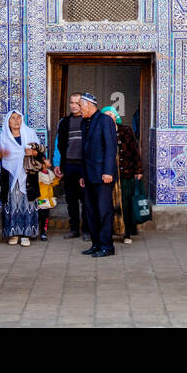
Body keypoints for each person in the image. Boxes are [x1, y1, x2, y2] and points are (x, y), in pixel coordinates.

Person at [78, 92, 117, 257]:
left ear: (88, 105)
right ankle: (96, 244)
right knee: (91, 212)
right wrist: (82, 174)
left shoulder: (104, 120)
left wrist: (108, 171)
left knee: (103, 211)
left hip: (102, 175)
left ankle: (107, 246)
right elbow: (84, 151)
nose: (78, 108)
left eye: (80, 105)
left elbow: (110, 147)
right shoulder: (84, 123)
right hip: (89, 175)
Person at [0, 110, 41, 246]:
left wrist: (32, 152)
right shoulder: (3, 136)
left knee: (27, 203)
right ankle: (13, 234)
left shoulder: (30, 133)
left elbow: (40, 153)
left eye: (19, 118)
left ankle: (27, 234)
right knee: (12, 203)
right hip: (10, 175)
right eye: (13, 118)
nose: (16, 120)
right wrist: (1, 154)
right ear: (8, 122)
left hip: (27, 174)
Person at [105, 106, 143, 245]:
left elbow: (134, 151)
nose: (109, 117)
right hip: (109, 175)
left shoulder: (126, 131)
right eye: (106, 115)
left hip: (125, 174)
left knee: (125, 204)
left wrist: (138, 170)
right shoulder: (102, 131)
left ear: (116, 117)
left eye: (111, 114)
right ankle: (111, 232)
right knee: (109, 204)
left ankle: (127, 233)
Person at [53, 93, 86, 239]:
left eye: (77, 103)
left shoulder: (88, 121)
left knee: (86, 199)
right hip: (69, 166)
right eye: (71, 102)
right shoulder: (64, 122)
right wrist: (57, 163)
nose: (74, 105)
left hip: (84, 166)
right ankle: (74, 229)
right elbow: (58, 145)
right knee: (71, 200)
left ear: (82, 104)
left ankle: (87, 230)